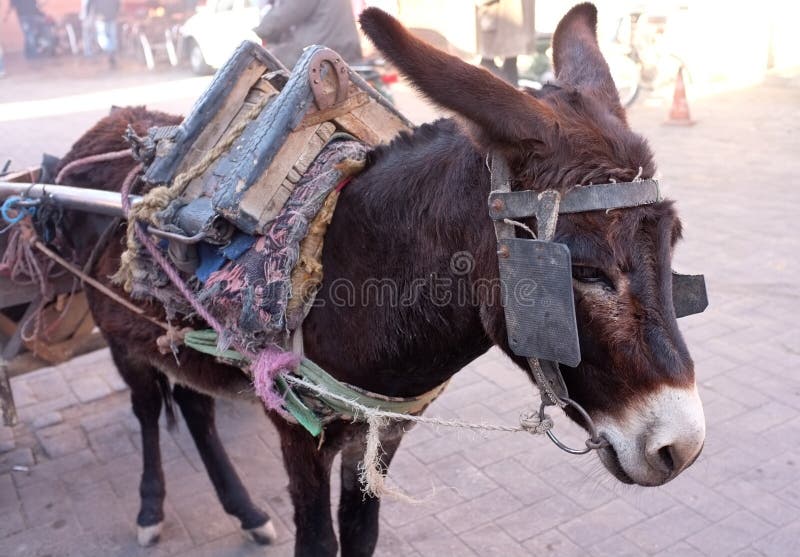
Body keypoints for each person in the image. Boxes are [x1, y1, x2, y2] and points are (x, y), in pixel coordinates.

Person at [253, 0, 362, 69]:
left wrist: (259, 30)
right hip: (344, 49)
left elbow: (281, 18)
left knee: (262, 58)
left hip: (320, 50)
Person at [476, 0, 535, 85]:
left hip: (509, 17)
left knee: (508, 63)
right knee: (489, 63)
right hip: (497, 15)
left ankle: (507, 88)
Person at [87, 0, 119, 67]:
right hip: (110, 15)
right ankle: (111, 52)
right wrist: (116, 13)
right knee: (111, 37)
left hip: (101, 16)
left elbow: (90, 4)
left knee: (103, 37)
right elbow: (117, 3)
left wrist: (89, 15)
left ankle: (110, 52)